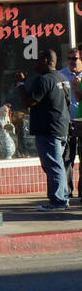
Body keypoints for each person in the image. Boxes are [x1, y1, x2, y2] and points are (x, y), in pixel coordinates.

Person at [17, 50, 71, 210]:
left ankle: (58, 201)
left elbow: (28, 102)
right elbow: (67, 101)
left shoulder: (44, 80)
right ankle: (62, 197)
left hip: (48, 129)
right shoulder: (62, 78)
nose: (35, 63)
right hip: (61, 127)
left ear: (46, 61)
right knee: (57, 164)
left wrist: (20, 85)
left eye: (38, 60)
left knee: (53, 165)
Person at [63, 47, 82, 195]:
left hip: (81, 121)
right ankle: (67, 191)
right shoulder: (61, 75)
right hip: (67, 121)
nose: (71, 62)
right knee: (67, 157)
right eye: (69, 58)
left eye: (74, 58)